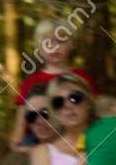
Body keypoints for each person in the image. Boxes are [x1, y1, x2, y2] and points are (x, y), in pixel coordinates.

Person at [10, 21, 96, 149]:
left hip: (77, 135)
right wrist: (17, 145)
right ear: (39, 47)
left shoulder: (82, 77)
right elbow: (20, 126)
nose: (54, 47)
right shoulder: (31, 82)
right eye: (47, 43)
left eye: (60, 41)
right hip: (38, 140)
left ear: (71, 44)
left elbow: (94, 111)